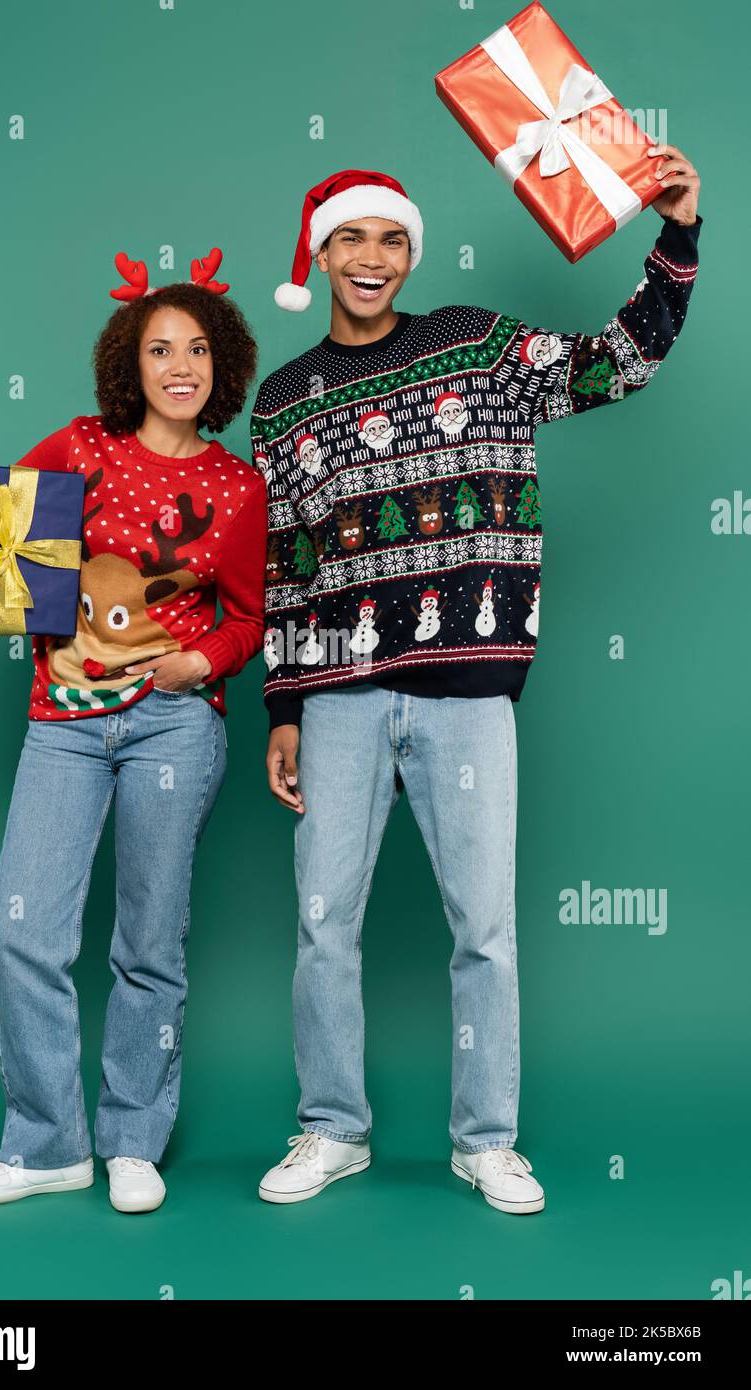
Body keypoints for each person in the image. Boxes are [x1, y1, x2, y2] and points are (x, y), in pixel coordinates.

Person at [253, 155, 701, 1211]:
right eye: (351, 240)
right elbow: (285, 566)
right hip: (338, 694)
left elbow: (619, 362)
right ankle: (331, 1129)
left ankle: (485, 1139)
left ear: (411, 252)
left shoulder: (476, 343)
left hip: (469, 688)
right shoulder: (281, 401)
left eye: (391, 240)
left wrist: (678, 232)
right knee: (324, 923)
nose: (372, 259)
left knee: (483, 928)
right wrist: (282, 707)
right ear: (320, 254)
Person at [0, 248, 267, 1213]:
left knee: (148, 944)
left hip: (173, 727)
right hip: (62, 723)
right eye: (160, 348)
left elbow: (248, 616)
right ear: (132, 365)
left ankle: (131, 1141)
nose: (179, 365)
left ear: (222, 364)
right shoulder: (78, 447)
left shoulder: (239, 493)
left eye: (197, 348)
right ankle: (45, 1146)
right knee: (22, 929)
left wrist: (204, 663)